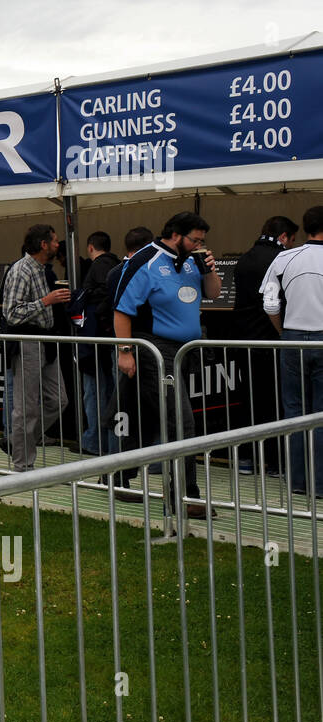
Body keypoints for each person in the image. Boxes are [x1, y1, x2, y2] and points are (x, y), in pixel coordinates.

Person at [114, 212, 222, 517]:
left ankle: (116, 476)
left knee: (148, 418)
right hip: (155, 350)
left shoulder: (191, 260)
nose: (200, 244)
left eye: (202, 241)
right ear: (176, 234)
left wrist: (210, 270)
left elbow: (213, 294)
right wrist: (125, 351)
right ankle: (184, 497)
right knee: (181, 422)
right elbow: (121, 309)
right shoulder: (146, 260)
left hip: (184, 349)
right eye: (195, 239)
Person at [260, 206, 323, 497]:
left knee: (295, 412)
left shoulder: (284, 256)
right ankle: (320, 484)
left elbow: (270, 305)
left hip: (293, 338)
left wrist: (284, 333)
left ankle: (298, 482)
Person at [2, 224, 72, 473]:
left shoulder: (42, 270)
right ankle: (22, 465)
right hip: (28, 341)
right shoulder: (21, 270)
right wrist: (46, 301)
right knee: (27, 407)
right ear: (43, 244)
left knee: (58, 400)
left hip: (46, 341)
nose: (57, 245)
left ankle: (16, 442)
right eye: (54, 241)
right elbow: (11, 313)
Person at [234, 215, 298, 474]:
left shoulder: (243, 258)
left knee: (246, 399)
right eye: (292, 240)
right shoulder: (280, 259)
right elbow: (278, 303)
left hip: (242, 340)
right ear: (283, 237)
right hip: (271, 339)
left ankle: (247, 457)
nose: (293, 246)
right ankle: (274, 461)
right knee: (273, 402)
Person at [77, 231, 121, 455]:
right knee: (105, 391)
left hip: (95, 339)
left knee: (94, 392)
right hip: (106, 339)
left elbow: (105, 294)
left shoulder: (99, 266)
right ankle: (100, 440)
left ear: (90, 247)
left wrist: (88, 296)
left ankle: (95, 441)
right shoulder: (116, 265)